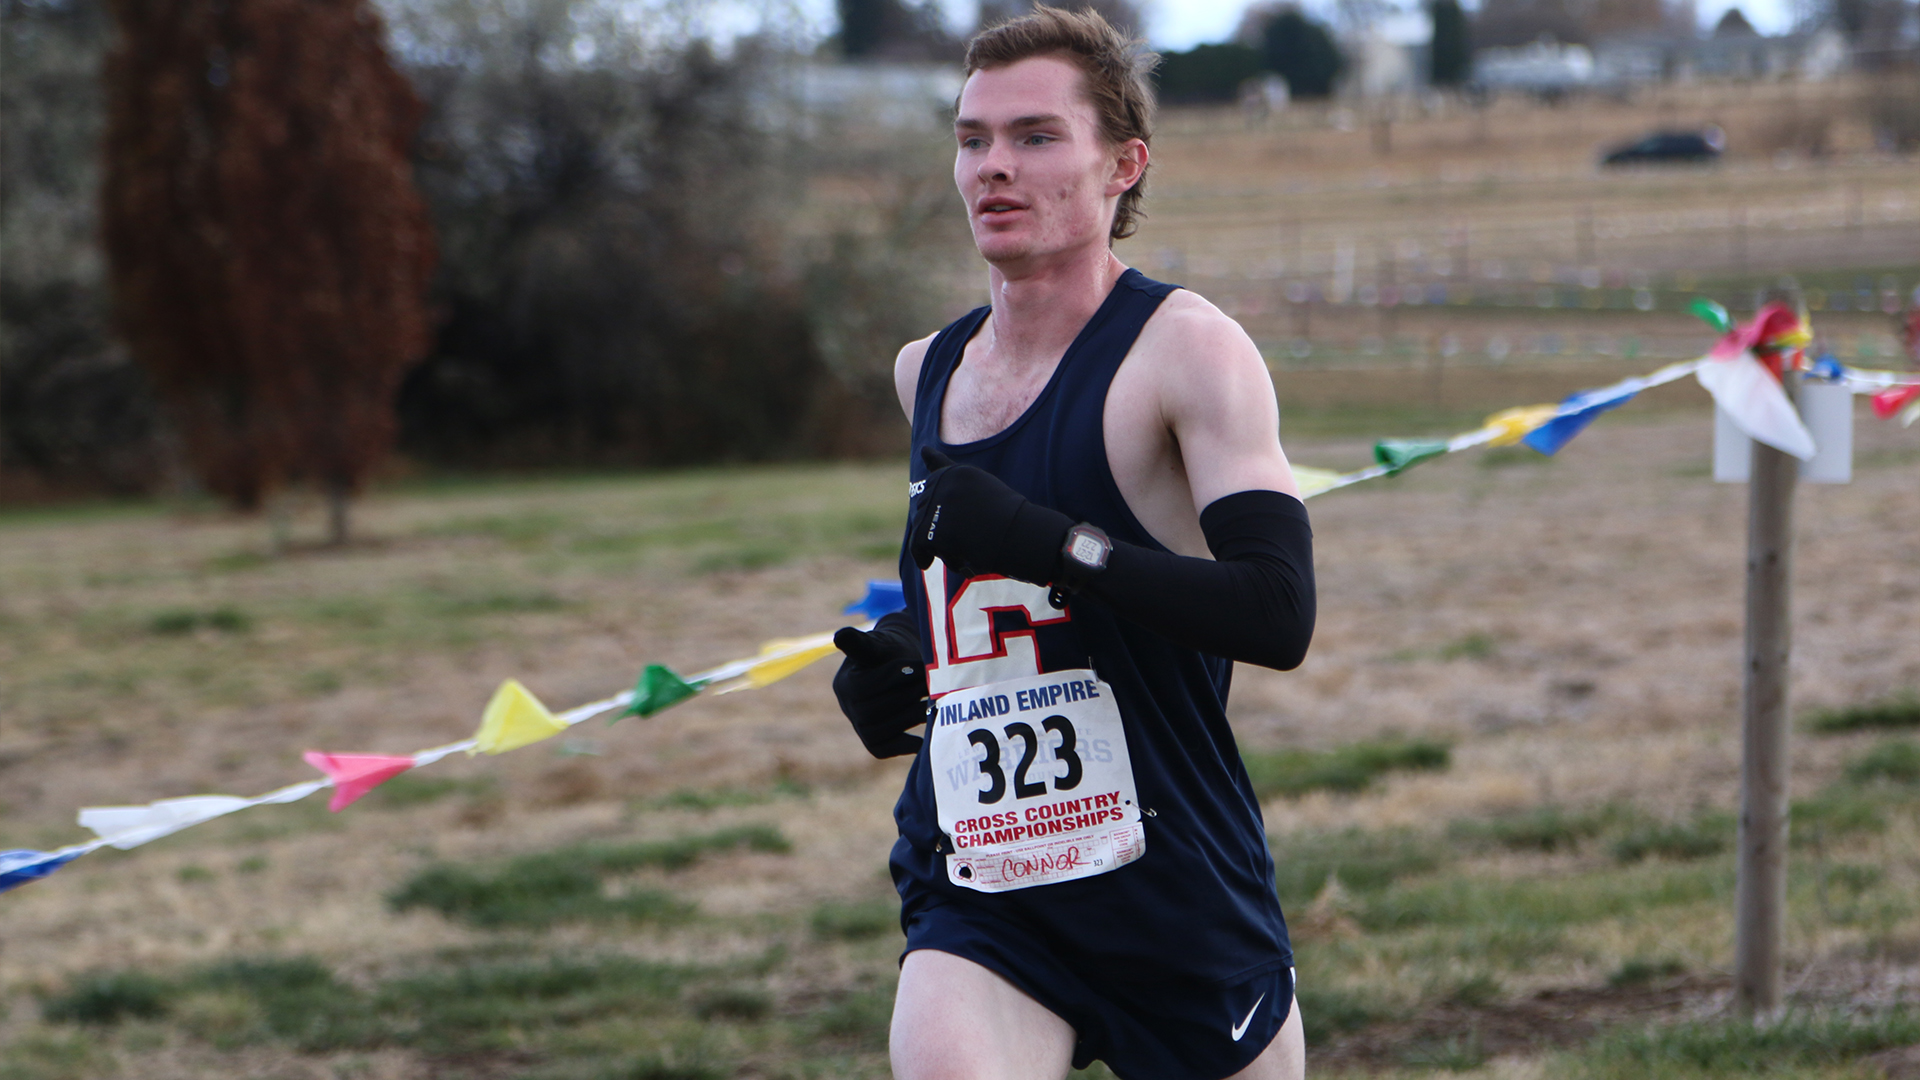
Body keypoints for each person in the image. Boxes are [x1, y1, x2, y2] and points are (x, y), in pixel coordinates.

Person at [830, 8, 1316, 1079]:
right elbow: (985, 588)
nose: (994, 168)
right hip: (986, 876)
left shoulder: (1189, 352)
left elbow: (1277, 614)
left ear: (1122, 166)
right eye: (973, 139)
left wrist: (1057, 545)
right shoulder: (930, 371)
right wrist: (902, 654)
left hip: (1168, 875)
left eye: (1037, 137)